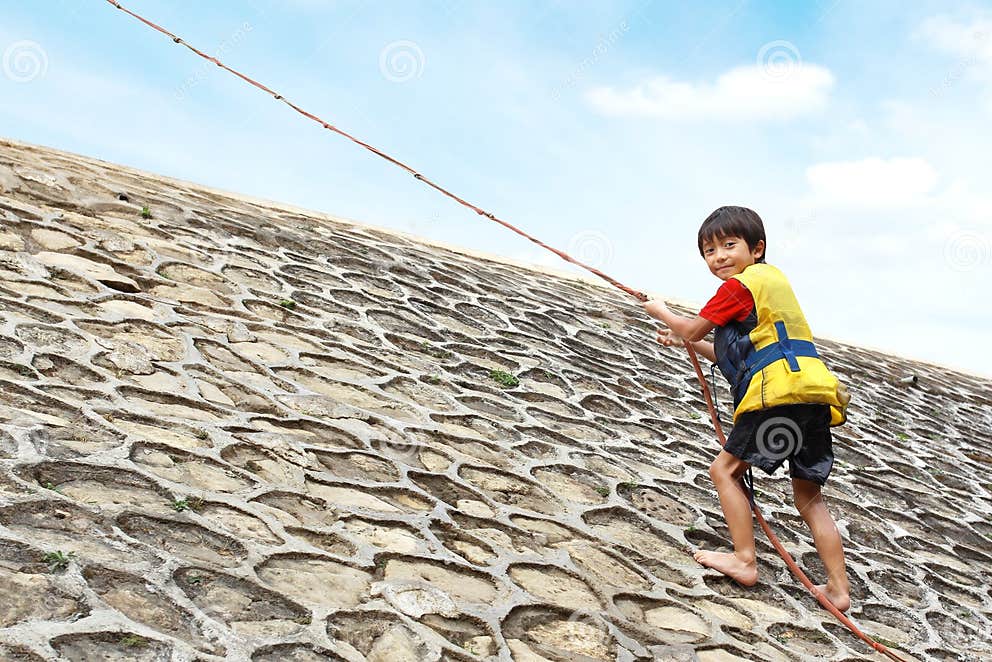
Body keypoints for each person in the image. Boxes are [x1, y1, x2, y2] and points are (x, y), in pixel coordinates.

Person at [641, 205, 852, 612]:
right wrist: (682, 340)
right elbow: (735, 354)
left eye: (728, 245)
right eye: (709, 251)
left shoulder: (738, 287)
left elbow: (692, 326)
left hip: (776, 398)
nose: (718, 256)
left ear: (756, 249)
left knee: (724, 470)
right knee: (809, 497)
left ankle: (743, 560)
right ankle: (839, 591)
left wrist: (661, 311)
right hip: (809, 395)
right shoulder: (770, 286)